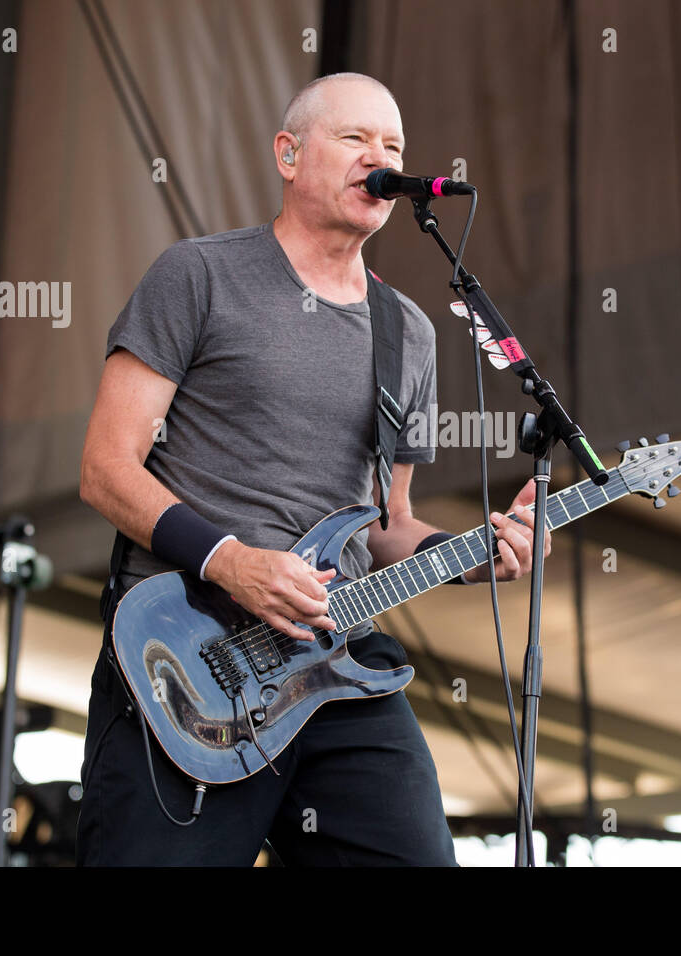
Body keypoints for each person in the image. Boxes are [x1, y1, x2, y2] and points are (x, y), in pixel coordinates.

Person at [75, 72, 551, 866]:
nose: (381, 158)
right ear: (288, 155)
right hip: (190, 660)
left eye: (394, 146)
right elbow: (104, 468)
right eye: (357, 139)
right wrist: (232, 562)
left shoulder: (409, 334)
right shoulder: (199, 276)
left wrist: (478, 556)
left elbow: (388, 524)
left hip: (335, 670)